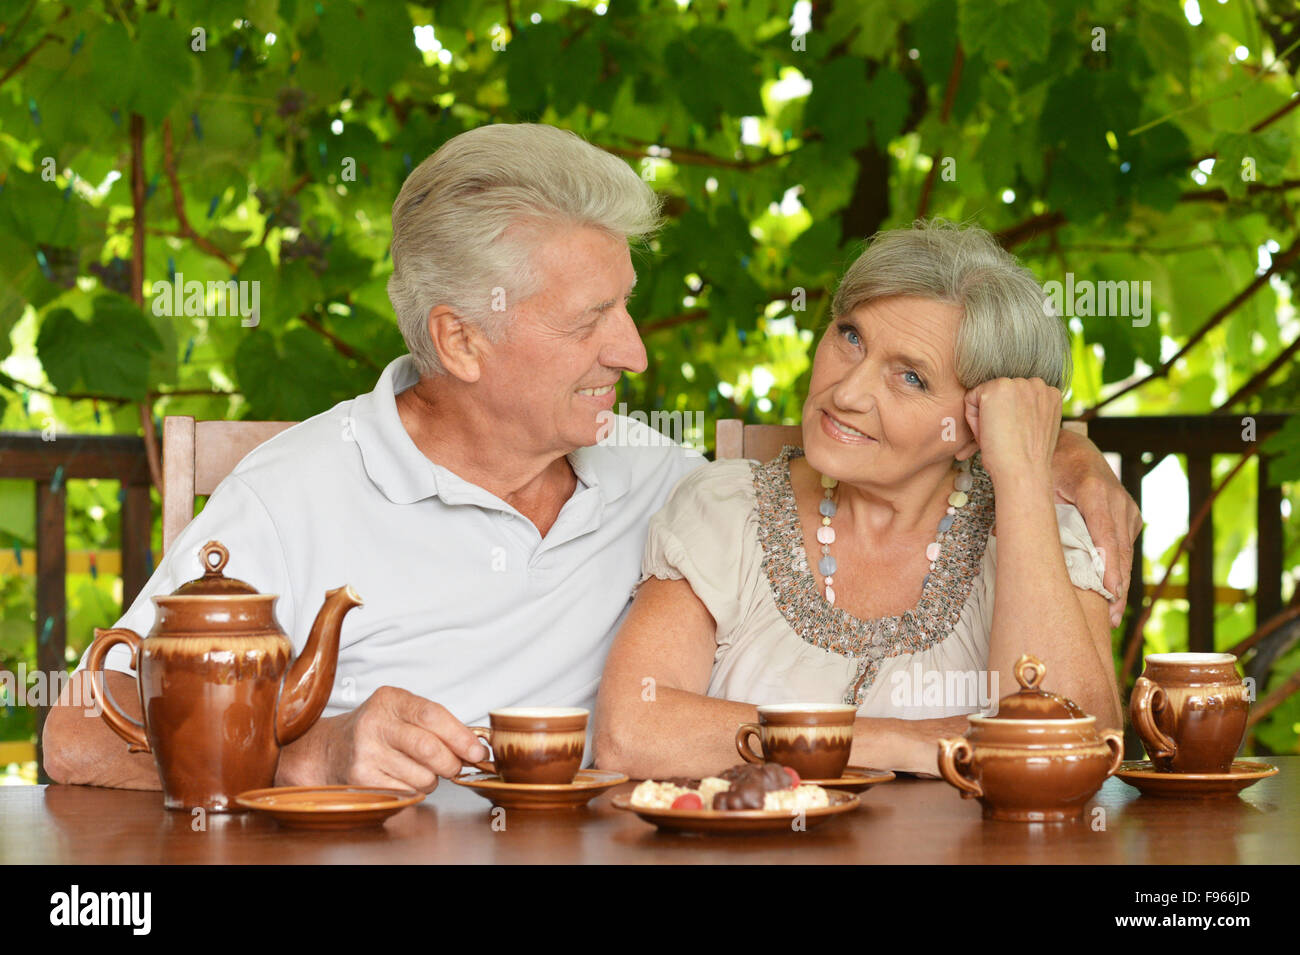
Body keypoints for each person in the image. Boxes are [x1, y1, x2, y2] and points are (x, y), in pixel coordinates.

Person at [43, 126, 1138, 795]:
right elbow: (79, 731)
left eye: (628, 307)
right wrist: (304, 754)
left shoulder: (649, 475)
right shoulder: (299, 489)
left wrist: (1062, 448)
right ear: (460, 340)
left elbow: (877, 442)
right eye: (590, 324)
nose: (635, 350)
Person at [594, 220, 1129, 780]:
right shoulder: (727, 509)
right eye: (851, 336)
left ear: (978, 423)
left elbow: (1071, 755)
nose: (846, 394)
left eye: (912, 378)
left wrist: (1021, 477)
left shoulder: (1042, 533)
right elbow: (632, 731)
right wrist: (897, 742)